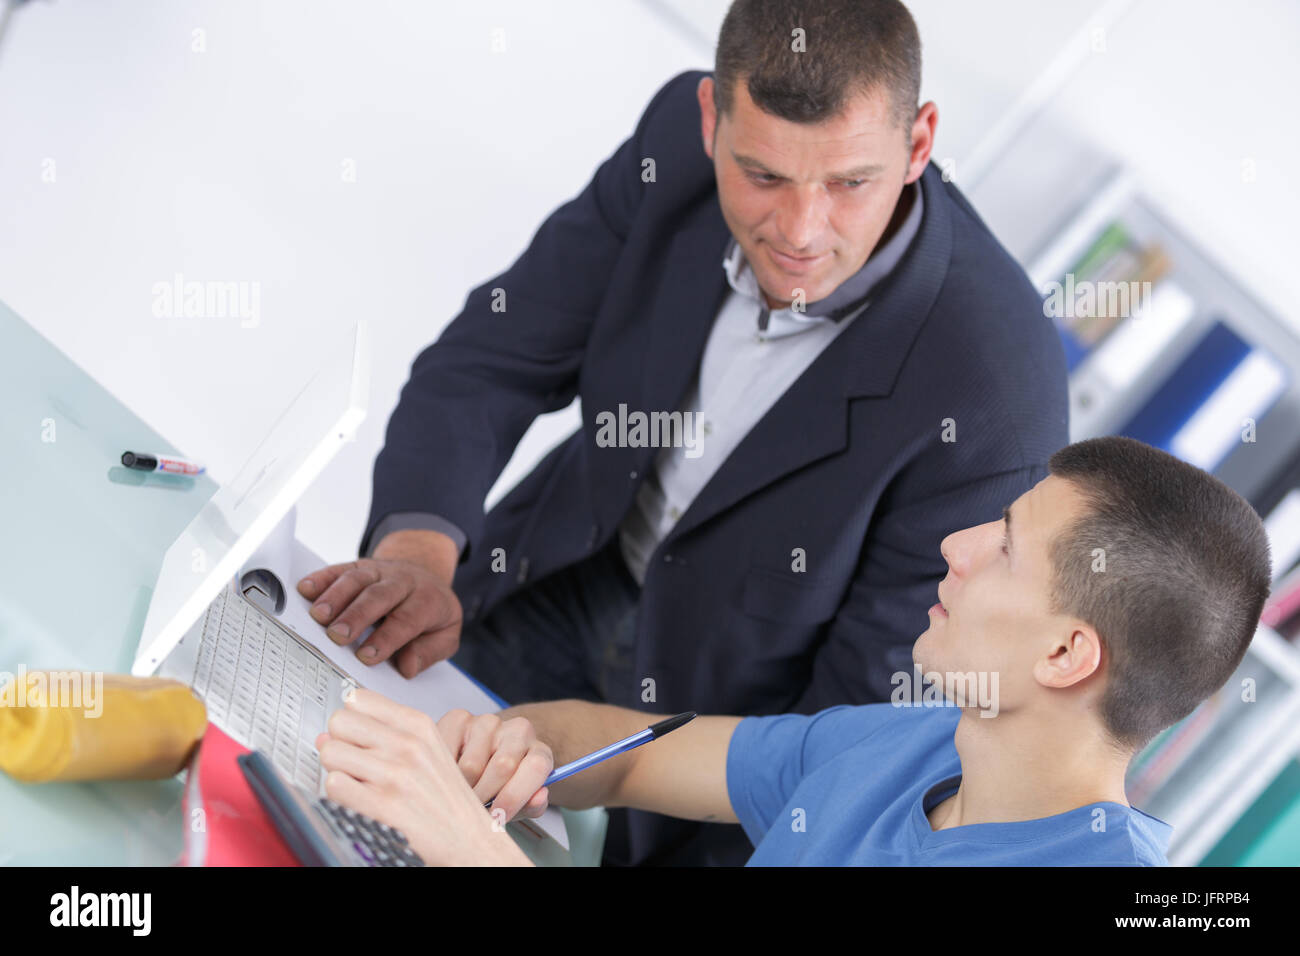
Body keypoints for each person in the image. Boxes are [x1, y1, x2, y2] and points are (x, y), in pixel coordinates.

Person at [298, 0, 1069, 865]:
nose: (801, 232)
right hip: (549, 580)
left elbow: (854, 717)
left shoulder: (998, 384)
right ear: (710, 119)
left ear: (920, 145)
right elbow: (493, 359)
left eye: (850, 183)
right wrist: (416, 555)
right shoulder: (676, 143)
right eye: (764, 176)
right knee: (336, 793)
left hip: (732, 722)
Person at [314, 437, 1272, 866]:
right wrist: (513, 749)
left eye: (1007, 547)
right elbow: (629, 750)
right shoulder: (924, 746)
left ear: (1068, 654)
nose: (955, 546)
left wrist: (469, 845)